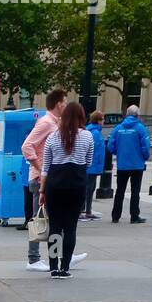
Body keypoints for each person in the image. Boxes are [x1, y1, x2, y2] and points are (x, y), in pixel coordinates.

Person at [39, 101, 93, 278]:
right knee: (71, 227)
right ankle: (65, 267)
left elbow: (45, 167)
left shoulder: (53, 137)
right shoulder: (87, 136)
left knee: (55, 227)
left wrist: (42, 191)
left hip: (55, 183)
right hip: (76, 183)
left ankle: (53, 266)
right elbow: (88, 162)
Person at [22, 89, 67, 270]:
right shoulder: (47, 123)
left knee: (50, 219)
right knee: (40, 220)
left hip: (43, 178)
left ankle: (61, 255)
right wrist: (42, 170)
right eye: (64, 102)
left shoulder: (52, 122)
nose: (66, 105)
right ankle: (33, 259)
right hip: (40, 179)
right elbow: (27, 146)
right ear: (58, 104)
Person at [107, 105, 151, 224]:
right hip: (137, 164)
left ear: (127, 114)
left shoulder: (118, 128)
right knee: (135, 191)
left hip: (122, 164)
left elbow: (110, 145)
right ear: (137, 115)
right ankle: (134, 216)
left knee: (120, 191)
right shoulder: (140, 128)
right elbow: (146, 146)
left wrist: (118, 152)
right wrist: (144, 157)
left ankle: (115, 215)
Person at [80, 110, 105, 221]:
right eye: (102, 119)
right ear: (98, 120)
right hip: (92, 166)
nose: (104, 121)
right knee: (88, 189)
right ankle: (84, 211)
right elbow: (95, 151)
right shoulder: (94, 133)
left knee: (90, 189)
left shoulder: (93, 131)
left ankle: (86, 210)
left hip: (92, 166)